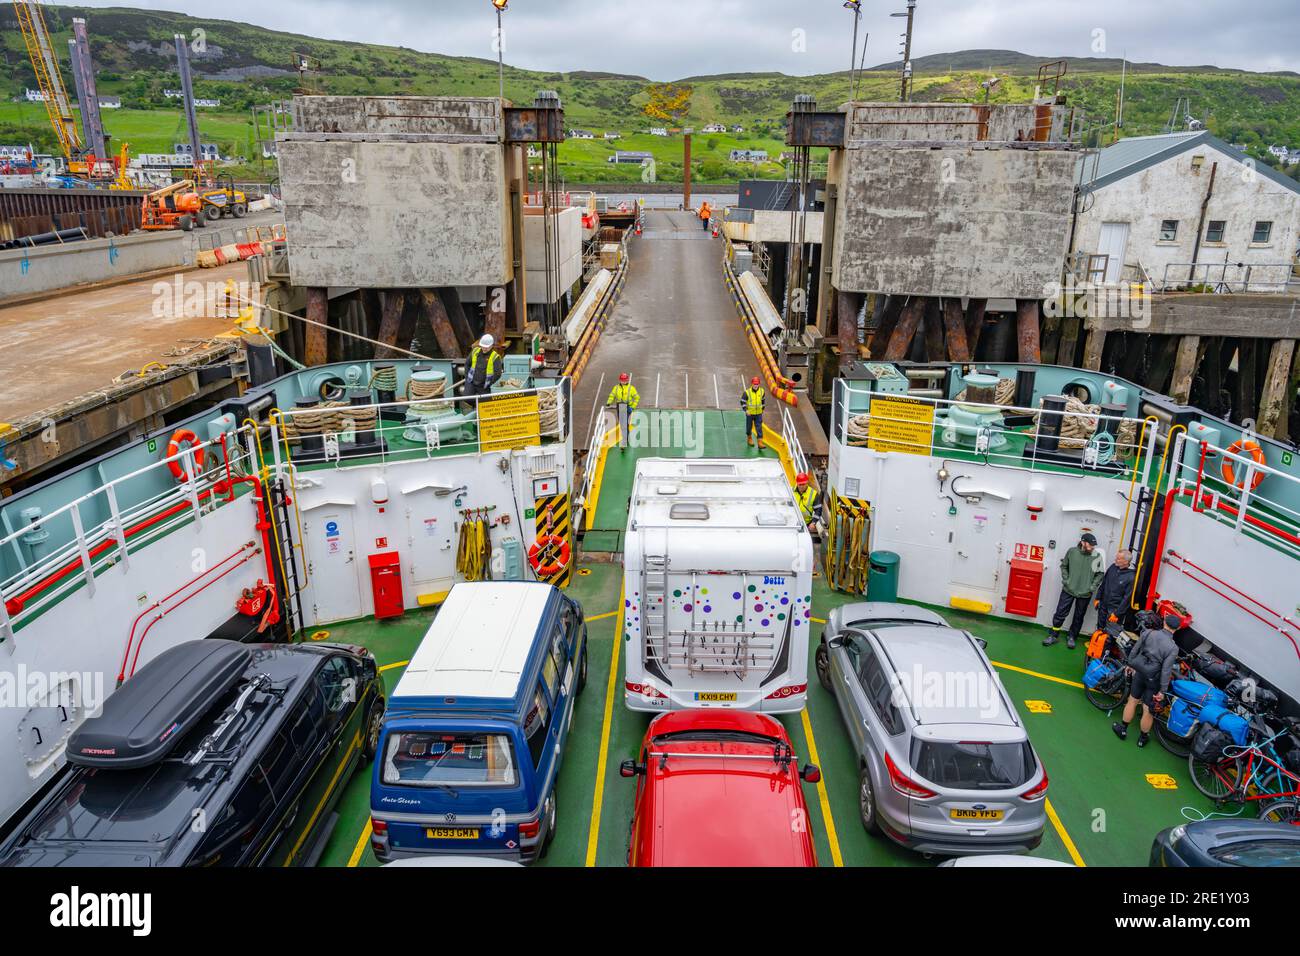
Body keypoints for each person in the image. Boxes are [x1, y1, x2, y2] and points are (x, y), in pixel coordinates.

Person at [1112, 613, 1182, 747]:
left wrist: (1130, 665)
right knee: (1148, 709)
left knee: (1132, 700)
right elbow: (1166, 670)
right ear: (1177, 629)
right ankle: (1142, 739)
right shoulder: (1173, 648)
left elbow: (1135, 650)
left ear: (1164, 623)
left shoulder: (1148, 633)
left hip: (1140, 673)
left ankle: (1123, 730)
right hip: (1153, 679)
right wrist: (1162, 690)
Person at [1043, 532, 1103, 649]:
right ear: (1083, 543)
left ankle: (1072, 637)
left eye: (1093, 546)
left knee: (1079, 616)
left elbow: (1100, 573)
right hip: (1068, 589)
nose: (1092, 548)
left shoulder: (1097, 556)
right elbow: (1064, 566)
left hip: (1085, 593)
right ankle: (1053, 635)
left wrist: (1092, 587)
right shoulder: (1072, 552)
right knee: (1060, 613)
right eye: (1090, 545)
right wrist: (1066, 580)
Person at [1093, 549, 1135, 632]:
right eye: (1116, 557)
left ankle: (1106, 645)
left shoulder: (1131, 577)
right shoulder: (1113, 567)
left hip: (1114, 609)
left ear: (1126, 562)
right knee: (1100, 628)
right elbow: (1104, 583)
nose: (1115, 560)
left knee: (1110, 632)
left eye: (1118, 559)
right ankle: (1097, 644)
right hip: (1103, 604)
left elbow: (1127, 598)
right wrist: (1098, 598)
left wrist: (1117, 614)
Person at [463, 334, 502, 404]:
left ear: (491, 345)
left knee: (486, 403)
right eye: (483, 346)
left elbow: (498, 373)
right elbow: (467, 364)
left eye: (486, 347)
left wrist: (490, 383)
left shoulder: (495, 357)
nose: (484, 348)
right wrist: (467, 377)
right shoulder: (475, 351)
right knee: (466, 398)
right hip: (472, 382)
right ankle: (476, 406)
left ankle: (480, 408)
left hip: (485, 385)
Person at [607, 373, 639, 451]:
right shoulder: (616, 388)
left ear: (627, 380)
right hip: (619, 406)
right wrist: (609, 402)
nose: (623, 381)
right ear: (620, 380)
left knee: (624, 424)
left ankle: (624, 441)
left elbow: (637, 398)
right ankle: (625, 439)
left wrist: (632, 407)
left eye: (624, 380)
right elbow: (612, 395)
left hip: (627, 407)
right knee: (622, 424)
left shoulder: (631, 388)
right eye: (622, 380)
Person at [741, 376, 766, 448]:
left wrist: (763, 408)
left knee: (759, 427)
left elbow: (763, 400)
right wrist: (746, 410)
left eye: (757, 384)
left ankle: (760, 442)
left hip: (758, 413)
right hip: (750, 414)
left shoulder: (762, 391)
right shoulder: (747, 392)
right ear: (752, 384)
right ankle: (749, 438)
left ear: (759, 384)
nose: (756, 385)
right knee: (749, 427)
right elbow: (742, 402)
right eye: (754, 384)